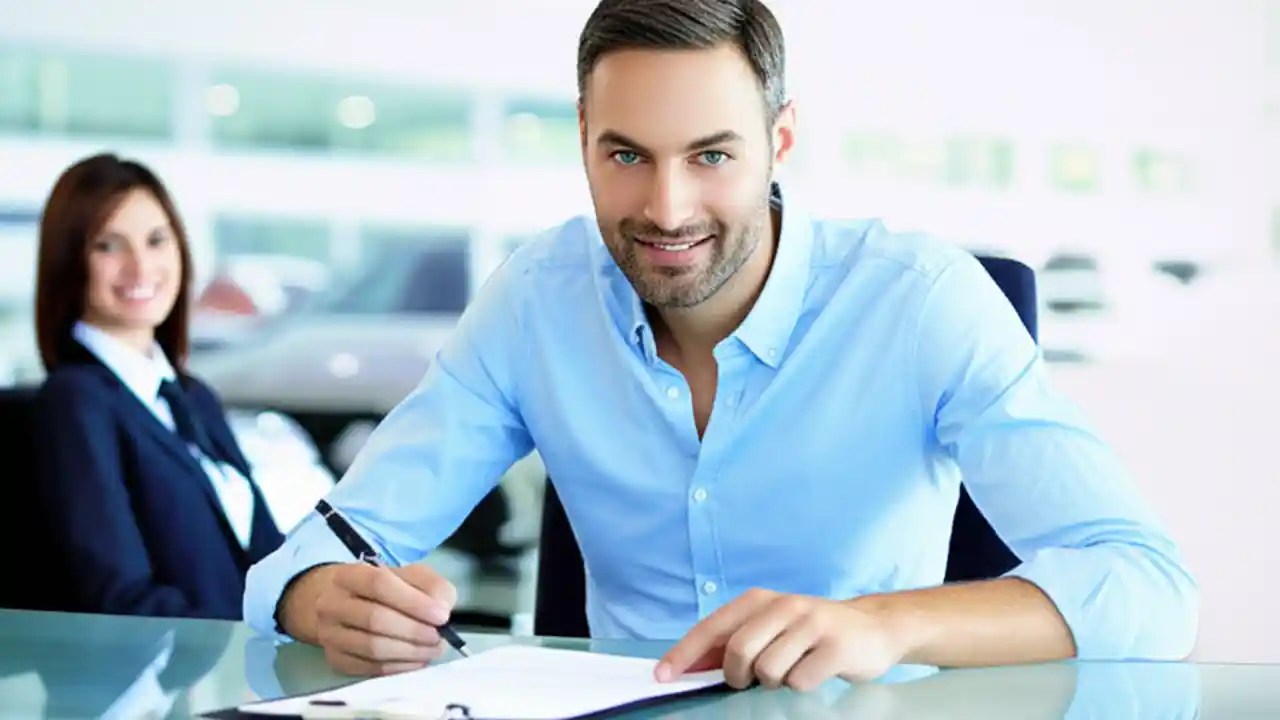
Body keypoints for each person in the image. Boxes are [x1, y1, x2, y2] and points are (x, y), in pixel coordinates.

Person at [245, 0, 1198, 689]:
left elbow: (1148, 587)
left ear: (780, 142)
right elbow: (309, 560)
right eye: (627, 155)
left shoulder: (921, 301)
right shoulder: (536, 301)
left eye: (711, 155)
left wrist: (884, 626)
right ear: (582, 137)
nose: (666, 210)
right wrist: (317, 598)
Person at [33, 153, 284, 619]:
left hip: (250, 673)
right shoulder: (76, 401)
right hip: (176, 685)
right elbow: (120, 597)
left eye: (155, 240)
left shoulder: (193, 398)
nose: (140, 267)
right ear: (70, 259)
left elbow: (273, 562)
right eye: (108, 245)